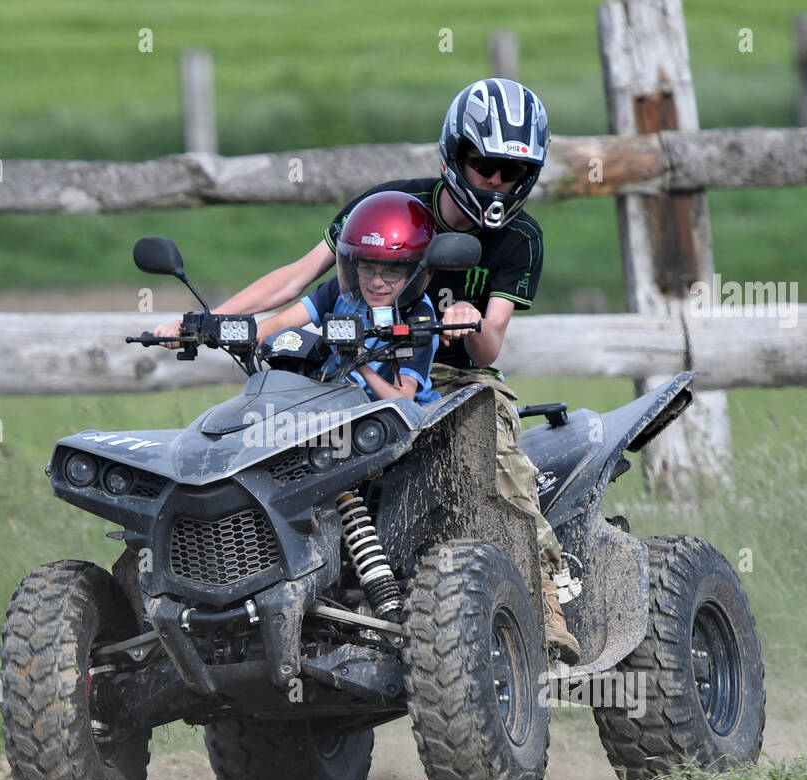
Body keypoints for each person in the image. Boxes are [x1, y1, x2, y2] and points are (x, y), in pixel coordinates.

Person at [156, 78, 580, 665]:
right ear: (454, 154)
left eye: (513, 170)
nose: (496, 182)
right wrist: (205, 321)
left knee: (501, 458)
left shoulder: (520, 237)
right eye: (484, 165)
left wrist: (466, 319)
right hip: (347, 367)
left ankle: (548, 597)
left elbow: (489, 348)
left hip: (453, 380)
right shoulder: (388, 208)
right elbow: (299, 280)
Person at [257, 191, 440, 405]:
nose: (376, 282)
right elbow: (282, 322)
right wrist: (253, 339)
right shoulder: (344, 291)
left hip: (394, 420)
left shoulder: (419, 316)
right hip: (335, 403)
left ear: (413, 274)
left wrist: (358, 362)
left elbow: (403, 399)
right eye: (367, 268)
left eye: (391, 272)